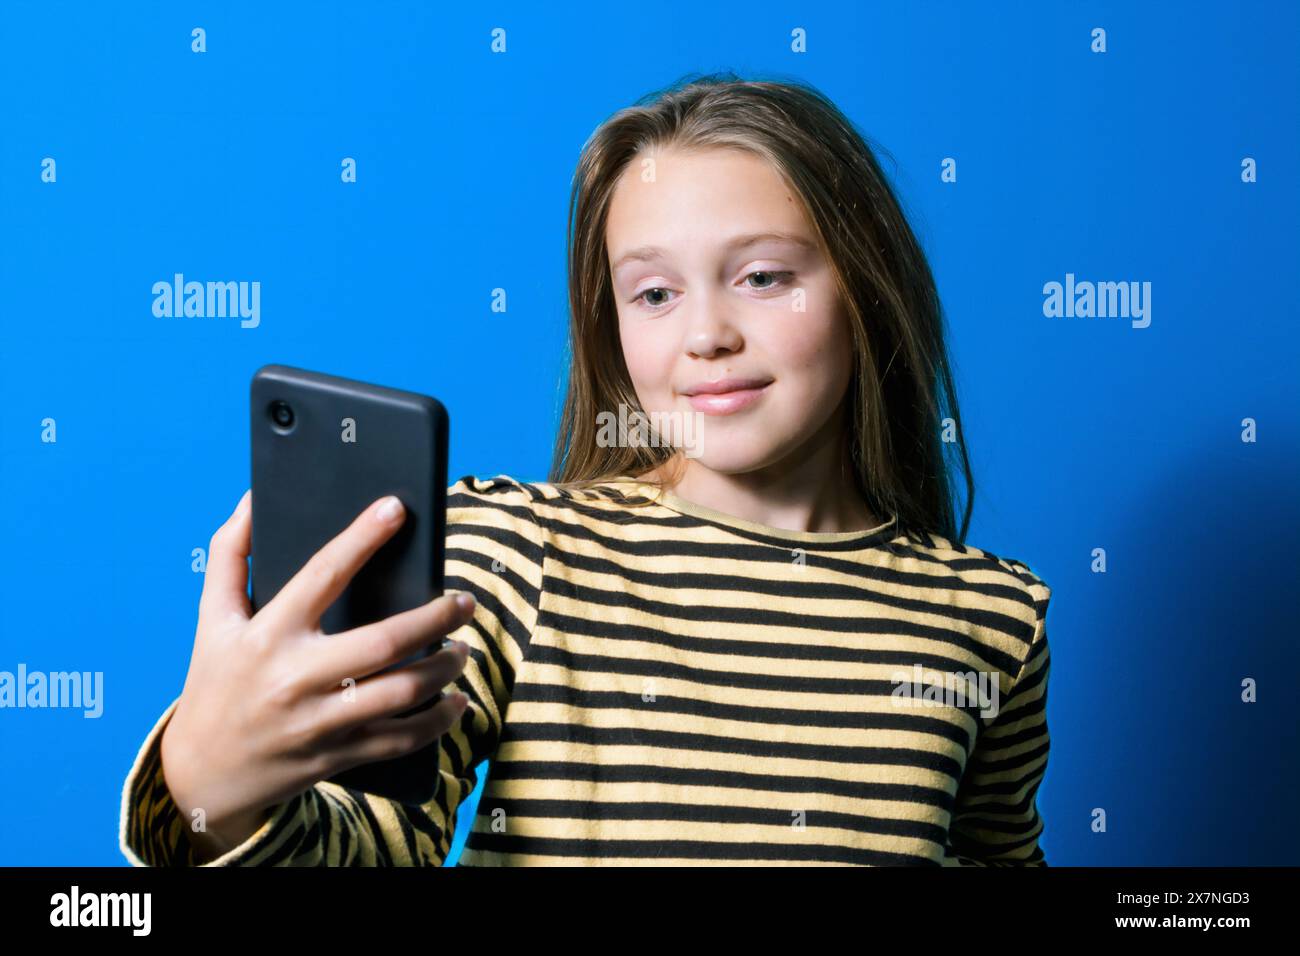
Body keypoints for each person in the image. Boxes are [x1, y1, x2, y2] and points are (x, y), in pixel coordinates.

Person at [120, 72, 1052, 866]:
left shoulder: (992, 618)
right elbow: (371, 840)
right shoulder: (515, 554)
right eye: (654, 292)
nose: (707, 335)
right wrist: (211, 785)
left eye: (763, 276)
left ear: (866, 287)